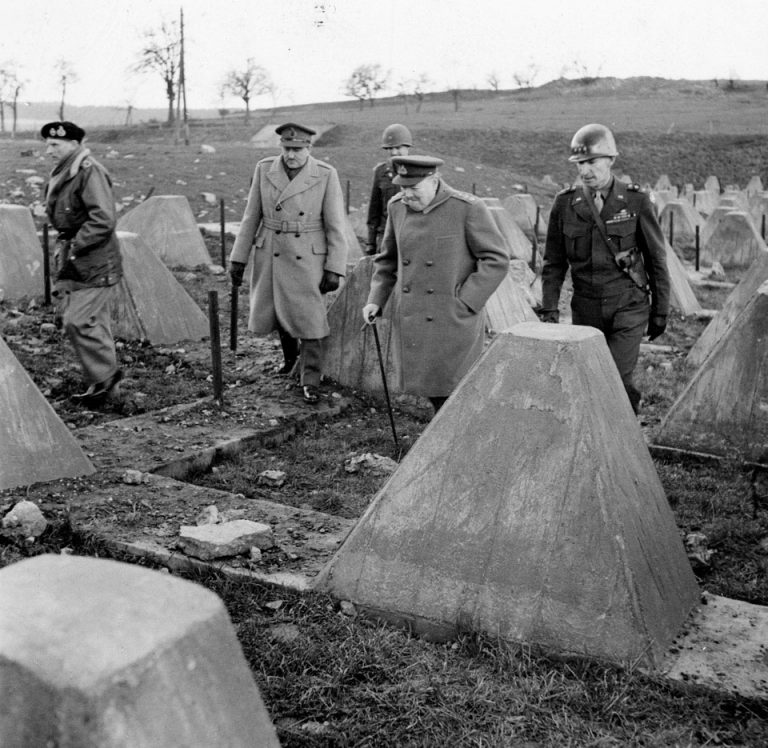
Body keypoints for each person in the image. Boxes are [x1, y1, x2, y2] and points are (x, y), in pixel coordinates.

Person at [539, 123, 670, 414]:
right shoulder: (565, 204)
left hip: (628, 305)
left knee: (615, 377)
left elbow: (656, 259)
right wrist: (549, 308)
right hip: (586, 309)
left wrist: (660, 310)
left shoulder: (636, 200)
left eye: (592, 162)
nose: (585, 170)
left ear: (611, 160)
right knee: (588, 378)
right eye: (580, 164)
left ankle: (626, 436)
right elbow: (554, 262)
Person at [362, 155, 509, 412]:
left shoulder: (466, 208)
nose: (406, 194)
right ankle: (443, 439)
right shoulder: (396, 207)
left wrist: (466, 301)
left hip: (452, 320)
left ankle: (457, 442)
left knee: (454, 390)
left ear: (434, 181)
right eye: (402, 187)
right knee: (433, 392)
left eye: (413, 188)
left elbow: (496, 259)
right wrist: (375, 299)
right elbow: (387, 261)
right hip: (413, 317)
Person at [228, 122, 348, 404]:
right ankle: (290, 360)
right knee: (278, 308)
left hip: (307, 253)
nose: (291, 155)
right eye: (287, 148)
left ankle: (311, 378)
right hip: (272, 249)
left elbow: (335, 226)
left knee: (309, 318)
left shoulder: (325, 175)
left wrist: (334, 267)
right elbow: (250, 216)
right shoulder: (264, 169)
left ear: (309, 148)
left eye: (297, 149)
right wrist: (238, 259)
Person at [41, 120, 123, 409]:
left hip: (94, 260)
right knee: (92, 322)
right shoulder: (66, 171)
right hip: (78, 258)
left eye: (55, 145)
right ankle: (102, 387)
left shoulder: (89, 172)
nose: (48, 150)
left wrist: (75, 244)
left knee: (77, 321)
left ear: (74, 145)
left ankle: (107, 378)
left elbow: (103, 219)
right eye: (47, 144)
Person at [365, 124, 412, 255]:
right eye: (390, 148)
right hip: (386, 236)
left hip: (411, 234)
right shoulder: (381, 172)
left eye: (398, 147)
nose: (394, 152)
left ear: (407, 147)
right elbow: (374, 211)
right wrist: (371, 242)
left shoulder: (419, 170)